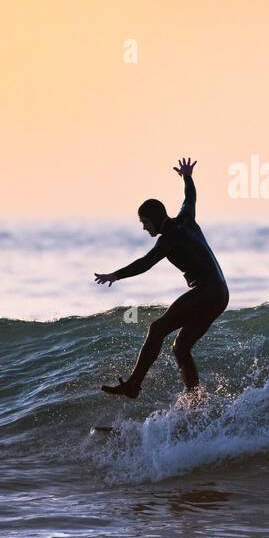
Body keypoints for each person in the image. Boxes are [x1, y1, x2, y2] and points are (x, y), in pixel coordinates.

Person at [94, 158, 229, 397]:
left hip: (206, 291)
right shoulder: (185, 219)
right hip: (221, 294)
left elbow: (146, 263)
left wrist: (115, 275)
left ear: (155, 219)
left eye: (145, 222)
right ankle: (195, 399)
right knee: (181, 347)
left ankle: (134, 385)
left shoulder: (169, 238)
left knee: (157, 329)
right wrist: (187, 177)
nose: (144, 228)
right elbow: (190, 198)